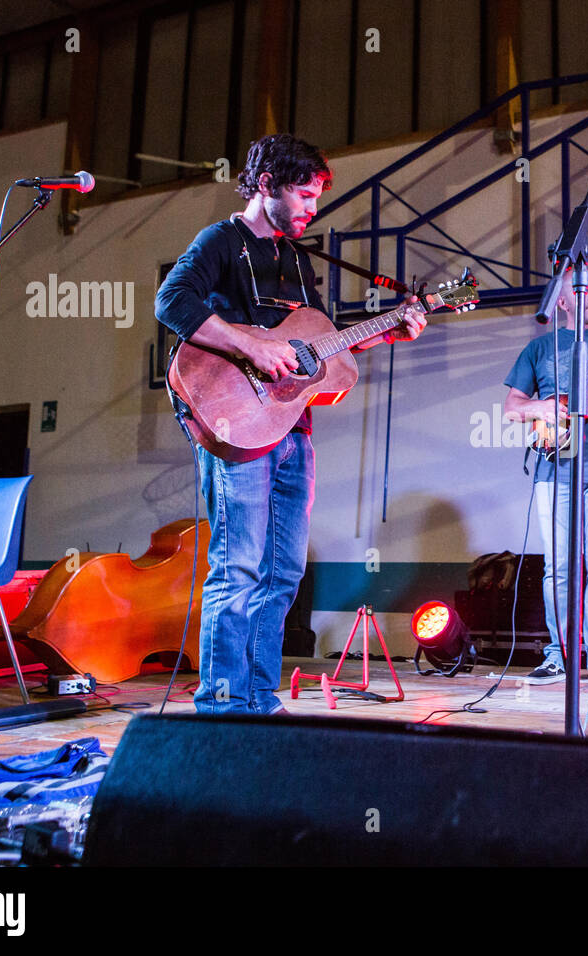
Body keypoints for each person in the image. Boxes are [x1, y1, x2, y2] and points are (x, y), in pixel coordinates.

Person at [155, 134, 425, 715]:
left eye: (317, 197)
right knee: (238, 566)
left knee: (282, 573)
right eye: (303, 194)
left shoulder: (298, 259)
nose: (311, 209)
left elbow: (311, 351)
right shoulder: (221, 242)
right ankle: (224, 704)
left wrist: (387, 329)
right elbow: (172, 302)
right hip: (235, 427)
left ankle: (257, 695)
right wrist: (248, 347)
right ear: (266, 185)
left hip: (291, 429)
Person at [504, 272, 588, 684]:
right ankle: (558, 653)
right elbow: (511, 408)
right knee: (557, 567)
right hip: (552, 468)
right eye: (582, 290)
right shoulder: (539, 348)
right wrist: (541, 407)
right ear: (561, 303)